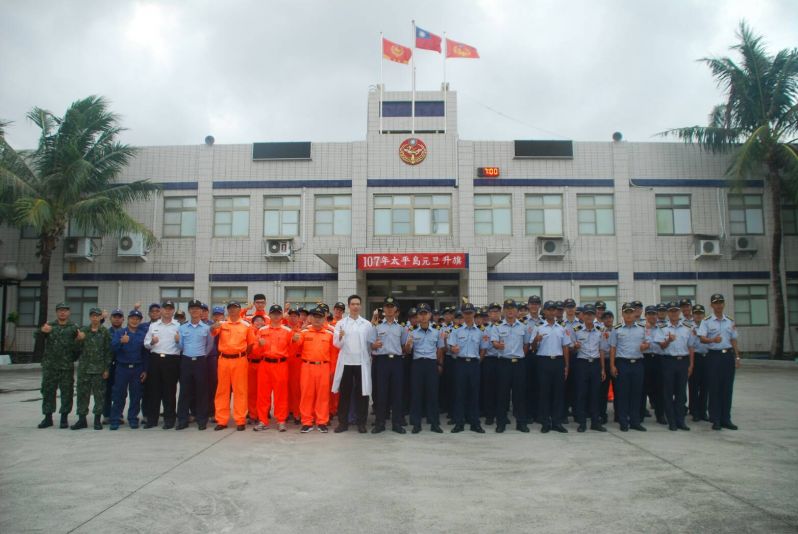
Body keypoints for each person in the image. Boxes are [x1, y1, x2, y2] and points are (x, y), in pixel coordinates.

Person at [696, 294, 741, 431]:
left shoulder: (730, 321)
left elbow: (733, 339)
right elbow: (702, 338)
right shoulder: (706, 321)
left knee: (727, 388)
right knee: (714, 388)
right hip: (713, 356)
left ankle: (726, 418)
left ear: (724, 304)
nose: (719, 305)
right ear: (712, 305)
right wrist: (712, 340)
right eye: (716, 303)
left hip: (727, 356)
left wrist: (737, 357)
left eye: (721, 302)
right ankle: (715, 419)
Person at [332, 295, 373, 433]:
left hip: (361, 363)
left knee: (362, 394)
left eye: (357, 304)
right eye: (353, 304)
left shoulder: (366, 324)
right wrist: (341, 336)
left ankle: (362, 422)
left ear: (360, 306)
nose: (355, 306)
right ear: (349, 306)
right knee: (345, 394)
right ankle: (343, 423)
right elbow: (336, 344)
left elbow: (369, 345)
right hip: (346, 363)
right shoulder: (341, 324)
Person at [36, 302, 81, 429]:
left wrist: (73, 356)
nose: (62, 312)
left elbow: (78, 347)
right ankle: (47, 417)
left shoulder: (73, 327)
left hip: (66, 367)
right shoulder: (50, 325)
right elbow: (37, 336)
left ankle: (64, 418)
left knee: (67, 392)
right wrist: (42, 331)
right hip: (50, 366)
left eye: (65, 310)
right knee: (48, 391)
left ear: (69, 313)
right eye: (60, 310)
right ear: (56, 312)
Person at [490, 299, 532, 433]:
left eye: (512, 308)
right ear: (504, 311)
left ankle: (521, 423)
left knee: (520, 395)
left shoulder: (523, 326)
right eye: (507, 308)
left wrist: (520, 356)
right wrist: (497, 345)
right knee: (502, 394)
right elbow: (494, 342)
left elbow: (526, 345)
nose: (510, 311)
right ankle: (501, 423)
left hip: (519, 363)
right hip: (504, 363)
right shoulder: (498, 326)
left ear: (517, 311)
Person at [211, 301, 253, 431]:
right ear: (228, 310)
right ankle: (221, 420)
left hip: (240, 360)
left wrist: (242, 354)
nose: (233, 310)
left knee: (240, 390)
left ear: (240, 310)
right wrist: (213, 326)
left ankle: (240, 420)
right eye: (230, 308)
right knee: (222, 390)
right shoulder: (222, 324)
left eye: (235, 308)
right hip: (223, 360)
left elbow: (251, 344)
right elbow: (213, 332)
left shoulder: (246, 325)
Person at [404, 303, 445, 434]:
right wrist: (408, 346)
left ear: (430, 315)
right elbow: (407, 351)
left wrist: (439, 364)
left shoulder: (437, 330)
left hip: (431, 364)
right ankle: (416, 424)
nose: (423, 316)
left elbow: (440, 349)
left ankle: (434, 423)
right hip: (417, 365)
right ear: (417, 316)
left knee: (433, 394)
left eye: (425, 313)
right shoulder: (412, 331)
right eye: (420, 314)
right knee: (416, 394)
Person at [369, 297, 408, 434]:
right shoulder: (377, 326)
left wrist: (408, 346)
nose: (389, 309)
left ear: (396, 309)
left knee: (397, 392)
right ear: (383, 309)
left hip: (397, 361)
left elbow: (404, 347)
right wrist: (374, 345)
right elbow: (371, 345)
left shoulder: (402, 328)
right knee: (381, 392)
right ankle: (380, 423)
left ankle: (396, 423)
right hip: (382, 361)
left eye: (392, 306)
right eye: (387, 306)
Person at [293, 306, 335, 433]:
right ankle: (307, 422)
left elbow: (333, 355)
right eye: (315, 317)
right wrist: (294, 340)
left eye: (320, 317)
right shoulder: (304, 332)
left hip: (324, 367)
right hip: (307, 366)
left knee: (323, 396)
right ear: (311, 318)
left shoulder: (329, 334)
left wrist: (332, 371)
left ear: (324, 319)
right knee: (307, 395)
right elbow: (297, 347)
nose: (317, 320)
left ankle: (322, 421)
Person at [610, 302, 650, 432]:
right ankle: (623, 421)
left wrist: (646, 346)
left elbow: (647, 343)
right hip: (622, 363)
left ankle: (635, 421)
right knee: (622, 394)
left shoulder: (642, 328)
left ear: (635, 314)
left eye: (631, 312)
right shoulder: (616, 329)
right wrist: (612, 365)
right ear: (622, 314)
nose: (628, 315)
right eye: (626, 312)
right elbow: (612, 348)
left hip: (638, 363)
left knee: (636, 393)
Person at [254, 305, 294, 432]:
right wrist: (259, 346)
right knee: (263, 394)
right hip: (264, 365)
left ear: (282, 315)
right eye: (273, 313)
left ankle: (281, 420)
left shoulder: (287, 331)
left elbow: (292, 351)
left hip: (281, 365)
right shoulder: (262, 330)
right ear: (269, 315)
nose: (276, 316)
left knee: (281, 394)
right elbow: (255, 351)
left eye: (278, 313)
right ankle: (262, 420)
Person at [143, 300, 182, 429]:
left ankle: (169, 419)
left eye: (170, 309)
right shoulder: (153, 326)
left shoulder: (178, 326)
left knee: (169, 391)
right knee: (153, 390)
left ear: (173, 311)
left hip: (171, 360)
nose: (167, 311)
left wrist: (178, 341)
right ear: (161, 310)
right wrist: (152, 342)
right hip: (155, 359)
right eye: (165, 308)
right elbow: (146, 343)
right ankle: (152, 419)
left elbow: (182, 346)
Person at [655, 302, 694, 431]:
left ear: (679, 312)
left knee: (681, 392)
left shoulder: (687, 326)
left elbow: (691, 346)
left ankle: (680, 420)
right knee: (668, 392)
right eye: (671, 311)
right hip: (668, 361)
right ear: (667, 313)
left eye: (676, 311)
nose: (673, 314)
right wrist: (668, 340)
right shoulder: (662, 327)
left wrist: (691, 364)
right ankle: (671, 421)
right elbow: (661, 346)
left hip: (683, 361)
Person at [448, 303, 486, 433]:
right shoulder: (456, 330)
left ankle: (475, 422)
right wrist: (453, 349)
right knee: (459, 394)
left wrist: (477, 361)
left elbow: (483, 349)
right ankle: (459, 423)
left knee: (474, 394)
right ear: (462, 314)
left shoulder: (480, 331)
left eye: (470, 313)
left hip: (474, 365)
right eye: (466, 313)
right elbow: (451, 348)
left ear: (474, 313)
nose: (468, 315)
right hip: (460, 364)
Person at [72, 307, 112, 430]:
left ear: (101, 317)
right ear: (90, 317)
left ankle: (97, 420)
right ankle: (82, 419)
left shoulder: (105, 332)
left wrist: (106, 369)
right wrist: (78, 340)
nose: (95, 318)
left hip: (99, 370)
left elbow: (108, 352)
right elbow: (75, 350)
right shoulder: (83, 331)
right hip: (84, 369)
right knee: (82, 395)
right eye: (93, 316)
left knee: (99, 396)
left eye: (97, 316)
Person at [534, 301, 570, 433]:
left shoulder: (562, 327)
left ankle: (557, 422)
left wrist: (566, 366)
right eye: (548, 310)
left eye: (553, 310)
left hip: (558, 362)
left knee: (558, 393)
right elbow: (533, 348)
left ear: (556, 312)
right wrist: (535, 340)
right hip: (543, 361)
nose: (551, 312)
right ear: (544, 311)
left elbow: (565, 347)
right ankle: (545, 422)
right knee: (544, 393)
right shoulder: (538, 327)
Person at [176, 299, 213, 430]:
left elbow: (210, 345)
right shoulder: (182, 328)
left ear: (201, 311)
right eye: (192, 308)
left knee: (202, 391)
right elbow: (180, 346)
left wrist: (203, 355)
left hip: (201, 361)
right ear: (189, 311)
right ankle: (182, 420)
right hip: (186, 360)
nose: (195, 311)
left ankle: (202, 420)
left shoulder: (206, 328)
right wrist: (177, 341)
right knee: (185, 391)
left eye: (197, 308)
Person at [109, 310, 148, 430]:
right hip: (122, 368)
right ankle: (115, 419)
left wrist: (145, 370)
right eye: (132, 318)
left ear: (140, 320)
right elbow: (112, 348)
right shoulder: (120, 332)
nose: (134, 321)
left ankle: (132, 418)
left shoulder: (143, 334)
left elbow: (145, 353)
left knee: (136, 395)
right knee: (119, 394)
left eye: (137, 319)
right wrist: (121, 341)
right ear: (128, 319)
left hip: (137, 368)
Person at [571, 305, 606, 432]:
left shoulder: (600, 329)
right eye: (586, 314)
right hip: (582, 364)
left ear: (595, 315)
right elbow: (572, 349)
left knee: (595, 393)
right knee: (581, 393)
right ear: (582, 316)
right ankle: (582, 423)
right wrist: (575, 347)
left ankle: (595, 422)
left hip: (595, 364)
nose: (589, 317)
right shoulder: (576, 329)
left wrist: (602, 368)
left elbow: (601, 350)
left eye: (591, 314)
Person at [642, 305, 666, 425]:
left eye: (654, 314)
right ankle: (640, 413)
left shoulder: (663, 328)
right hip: (645, 359)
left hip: (658, 358)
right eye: (649, 314)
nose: (652, 316)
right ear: (645, 316)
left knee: (659, 388)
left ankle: (660, 414)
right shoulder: (640, 328)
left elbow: (664, 344)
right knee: (642, 388)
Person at [480, 302, 502, 426]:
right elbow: (483, 347)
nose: (494, 314)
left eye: (497, 311)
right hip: (489, 360)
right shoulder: (485, 329)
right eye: (492, 312)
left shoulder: (505, 327)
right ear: (488, 314)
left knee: (502, 389)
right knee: (489, 389)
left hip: (502, 360)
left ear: (500, 313)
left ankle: (501, 414)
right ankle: (490, 415)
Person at [102, 308, 126, 424]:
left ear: (123, 319)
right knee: (107, 391)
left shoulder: (126, 332)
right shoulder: (105, 332)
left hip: (121, 365)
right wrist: (101, 319)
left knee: (121, 392)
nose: (117, 319)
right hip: (108, 366)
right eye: (114, 317)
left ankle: (119, 414)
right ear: (111, 319)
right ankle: (106, 414)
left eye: (119, 317)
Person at [688, 304, 710, 421]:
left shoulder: (708, 326)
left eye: (700, 313)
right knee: (693, 385)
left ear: (704, 314)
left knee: (705, 385)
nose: (698, 316)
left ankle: (703, 411)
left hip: (706, 357)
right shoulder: (689, 327)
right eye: (696, 313)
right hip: (695, 356)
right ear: (693, 315)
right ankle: (694, 411)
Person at [246, 315, 267, 424]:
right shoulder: (249, 332)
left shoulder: (266, 332)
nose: (259, 322)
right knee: (252, 391)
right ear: (253, 323)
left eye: (261, 321)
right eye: (257, 321)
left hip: (263, 364)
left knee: (263, 391)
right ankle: (252, 414)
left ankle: (262, 413)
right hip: (251, 364)